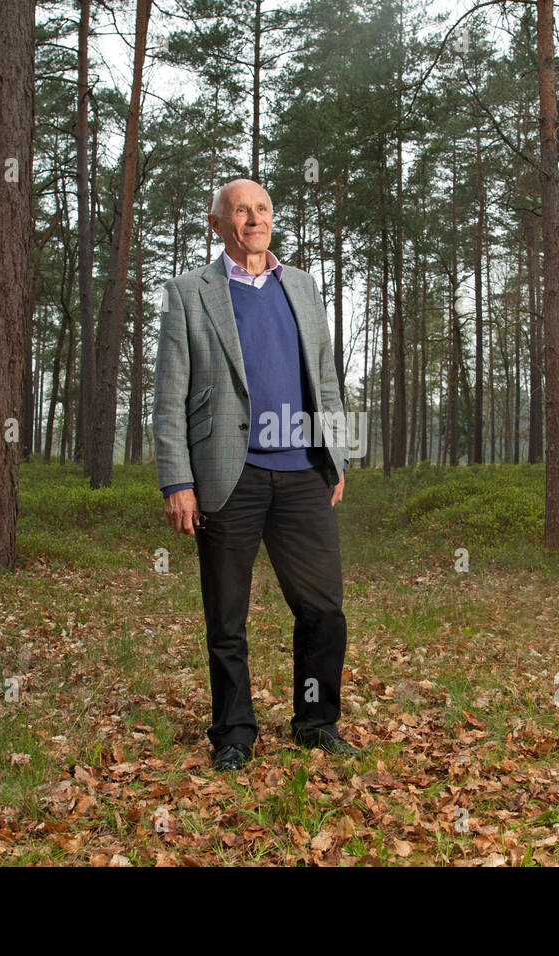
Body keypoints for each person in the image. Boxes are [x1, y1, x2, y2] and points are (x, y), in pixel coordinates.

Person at [153, 178, 360, 770]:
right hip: (227, 476)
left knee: (322, 610)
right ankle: (234, 733)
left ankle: (316, 721)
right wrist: (176, 482)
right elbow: (169, 400)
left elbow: (325, 378)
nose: (254, 219)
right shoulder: (189, 293)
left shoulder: (301, 286)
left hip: (302, 474)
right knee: (227, 617)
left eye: (263, 209)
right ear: (217, 224)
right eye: (240, 210)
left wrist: (335, 454)